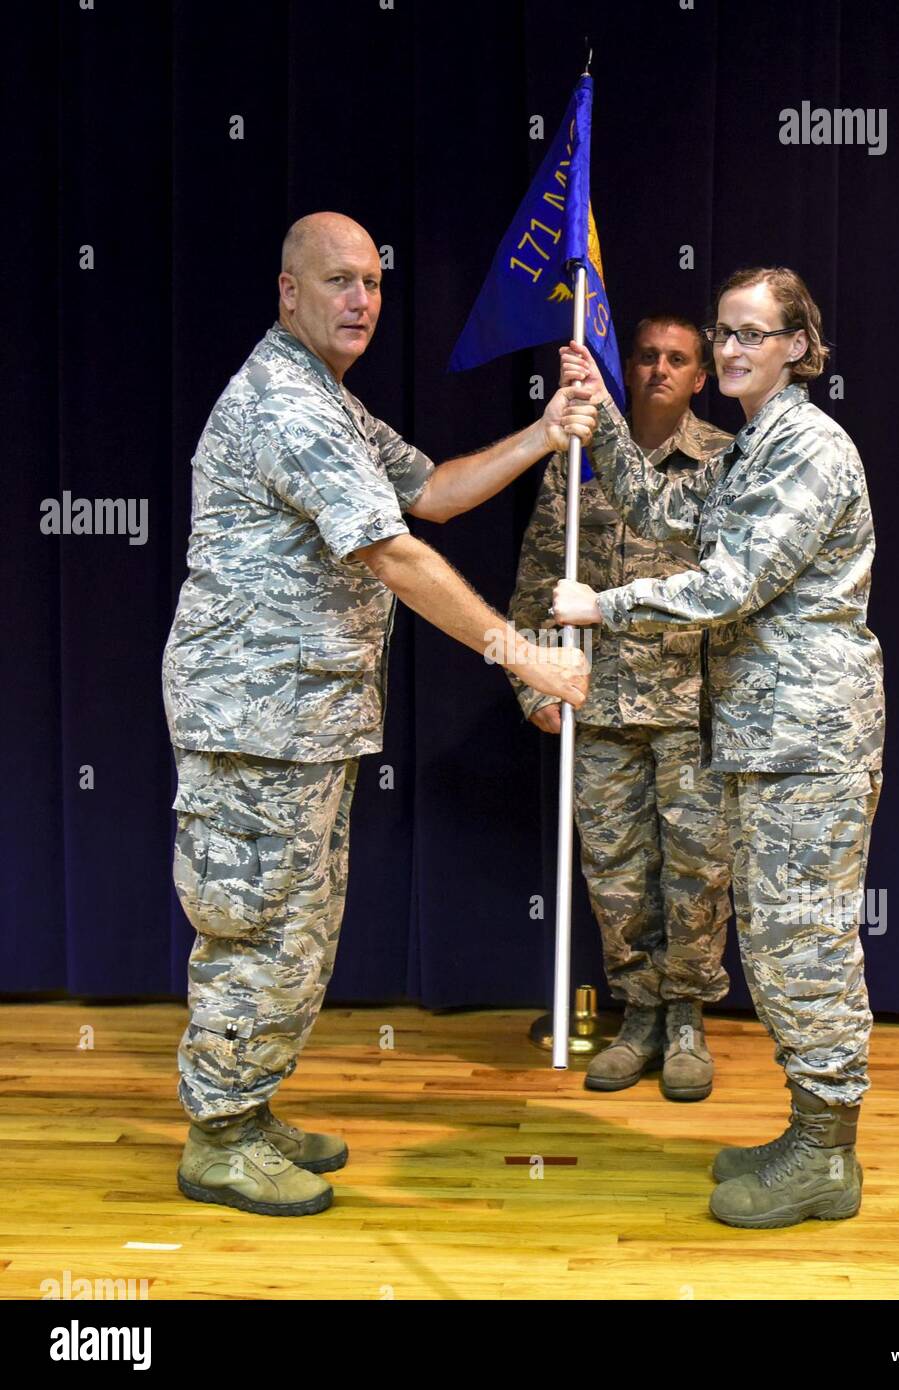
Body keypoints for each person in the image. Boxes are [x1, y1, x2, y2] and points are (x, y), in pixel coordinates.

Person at [163, 212, 594, 1216]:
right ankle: (216, 1136)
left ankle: (247, 1104)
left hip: (303, 719)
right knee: (254, 925)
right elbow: (390, 553)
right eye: (338, 281)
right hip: (255, 720)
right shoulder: (285, 403)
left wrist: (543, 430)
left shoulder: (333, 403)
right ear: (287, 292)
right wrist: (519, 651)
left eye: (372, 283)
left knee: (298, 929)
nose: (361, 300)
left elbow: (431, 494)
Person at [554, 266, 884, 1228]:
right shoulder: (754, 447)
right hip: (764, 738)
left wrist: (601, 605)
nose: (732, 348)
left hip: (807, 740)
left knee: (805, 944)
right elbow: (668, 517)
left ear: (798, 348)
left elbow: (730, 582)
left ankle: (828, 1157)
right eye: (724, 332)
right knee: (781, 946)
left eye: (753, 333)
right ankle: (809, 1132)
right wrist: (602, 416)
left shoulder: (810, 448)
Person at [508, 316, 734, 1100]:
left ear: (702, 376)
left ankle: (686, 1021)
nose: (661, 370)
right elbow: (540, 579)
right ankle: (637, 1014)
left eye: (679, 360)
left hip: (694, 712)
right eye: (647, 357)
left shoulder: (726, 466)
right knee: (617, 876)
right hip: (598, 708)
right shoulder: (575, 464)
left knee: (697, 875)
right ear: (625, 367)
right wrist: (532, 682)